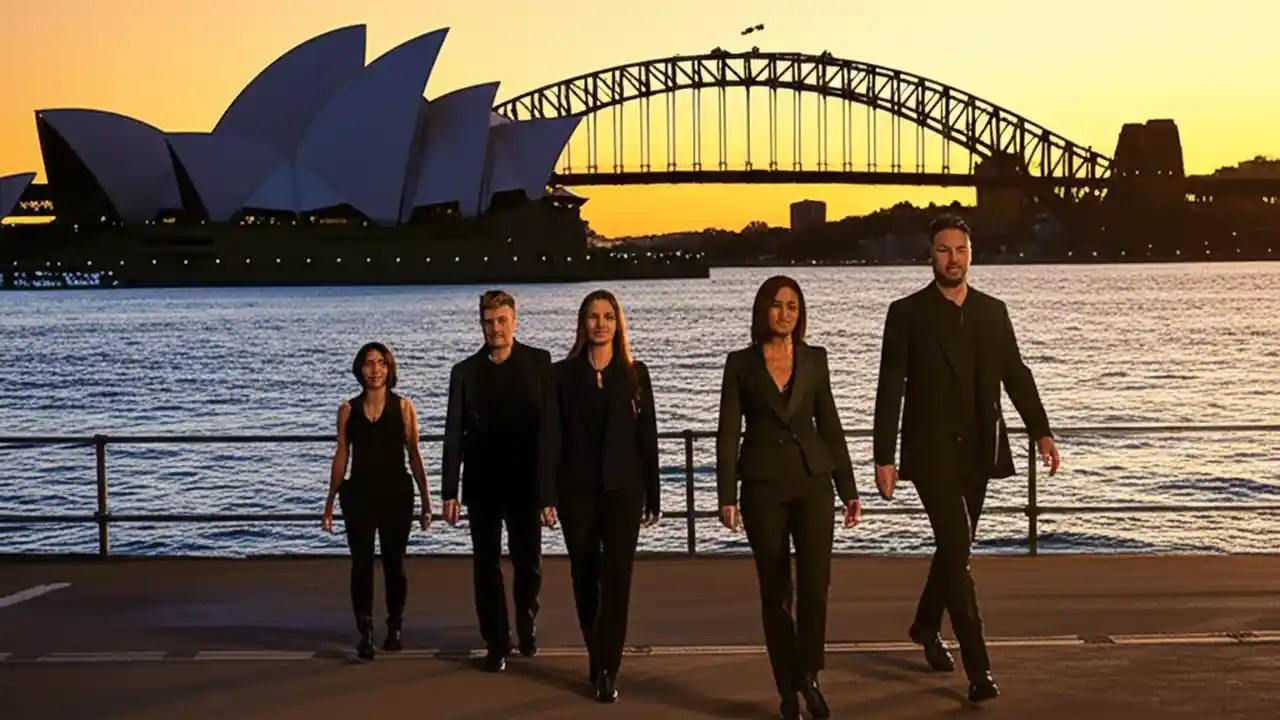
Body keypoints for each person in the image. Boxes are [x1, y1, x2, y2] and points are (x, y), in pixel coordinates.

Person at [872, 214, 1060, 703]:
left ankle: (924, 625)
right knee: (957, 547)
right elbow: (890, 387)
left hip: (980, 448)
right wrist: (883, 456)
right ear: (929, 256)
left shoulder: (993, 312)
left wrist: (1041, 431)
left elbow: (1015, 373)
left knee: (954, 549)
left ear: (971, 254)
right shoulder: (906, 313)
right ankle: (979, 669)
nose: (952, 259)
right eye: (943, 250)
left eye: (960, 249)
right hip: (929, 451)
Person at [716, 275, 862, 720]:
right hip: (762, 487)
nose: (785, 314)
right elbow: (728, 432)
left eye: (793, 306)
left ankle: (809, 675)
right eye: (777, 305)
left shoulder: (815, 359)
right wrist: (726, 495)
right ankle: (786, 688)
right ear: (764, 310)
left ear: (801, 314)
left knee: (816, 586)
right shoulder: (740, 364)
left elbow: (830, 425)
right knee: (776, 590)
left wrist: (849, 489)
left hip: (812, 481)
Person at [538, 289, 662, 704]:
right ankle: (596, 652)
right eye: (593, 316)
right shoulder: (560, 375)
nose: (600, 324)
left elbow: (648, 437)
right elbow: (550, 438)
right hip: (576, 492)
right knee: (584, 576)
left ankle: (610, 667)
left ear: (618, 323)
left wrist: (654, 495)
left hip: (624, 490)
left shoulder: (635, 374)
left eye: (608, 316)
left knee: (618, 580)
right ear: (583, 323)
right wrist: (546, 495)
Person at [442, 290, 553, 673]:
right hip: (482, 484)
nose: (496, 328)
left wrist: (549, 489)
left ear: (514, 321)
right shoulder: (465, 372)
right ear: (481, 324)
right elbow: (453, 435)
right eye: (489, 322)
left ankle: (526, 618)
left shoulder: (539, 363)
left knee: (529, 563)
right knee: (485, 566)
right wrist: (449, 491)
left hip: (526, 483)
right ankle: (496, 642)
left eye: (502, 320)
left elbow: (549, 432)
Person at [323, 341, 432, 660]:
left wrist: (427, 502)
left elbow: (414, 456)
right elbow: (341, 457)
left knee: (395, 564)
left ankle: (395, 626)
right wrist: (329, 502)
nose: (375, 370)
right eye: (369, 363)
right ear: (360, 369)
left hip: (397, 495)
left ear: (389, 368)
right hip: (359, 496)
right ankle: (366, 631)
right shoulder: (348, 410)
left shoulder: (404, 408)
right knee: (361, 565)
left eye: (381, 363)